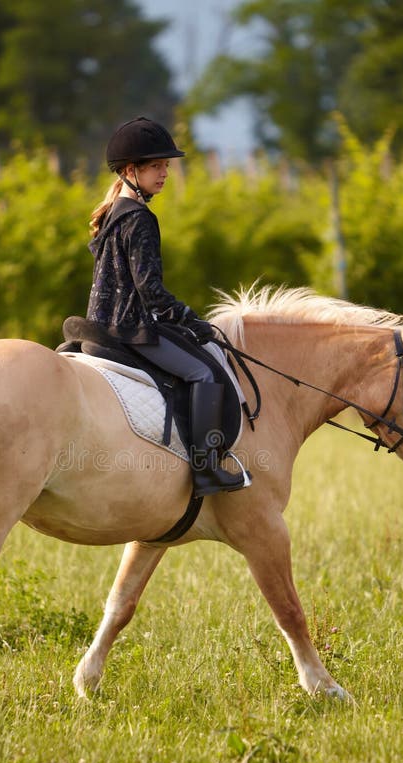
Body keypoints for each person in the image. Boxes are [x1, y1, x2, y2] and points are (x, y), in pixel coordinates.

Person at [87, 116, 250, 498]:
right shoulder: (140, 218)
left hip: (99, 325)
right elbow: (150, 291)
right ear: (131, 170)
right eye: (156, 166)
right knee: (203, 373)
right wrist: (193, 321)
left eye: (166, 166)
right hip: (130, 329)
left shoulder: (113, 213)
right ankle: (207, 469)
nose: (164, 174)